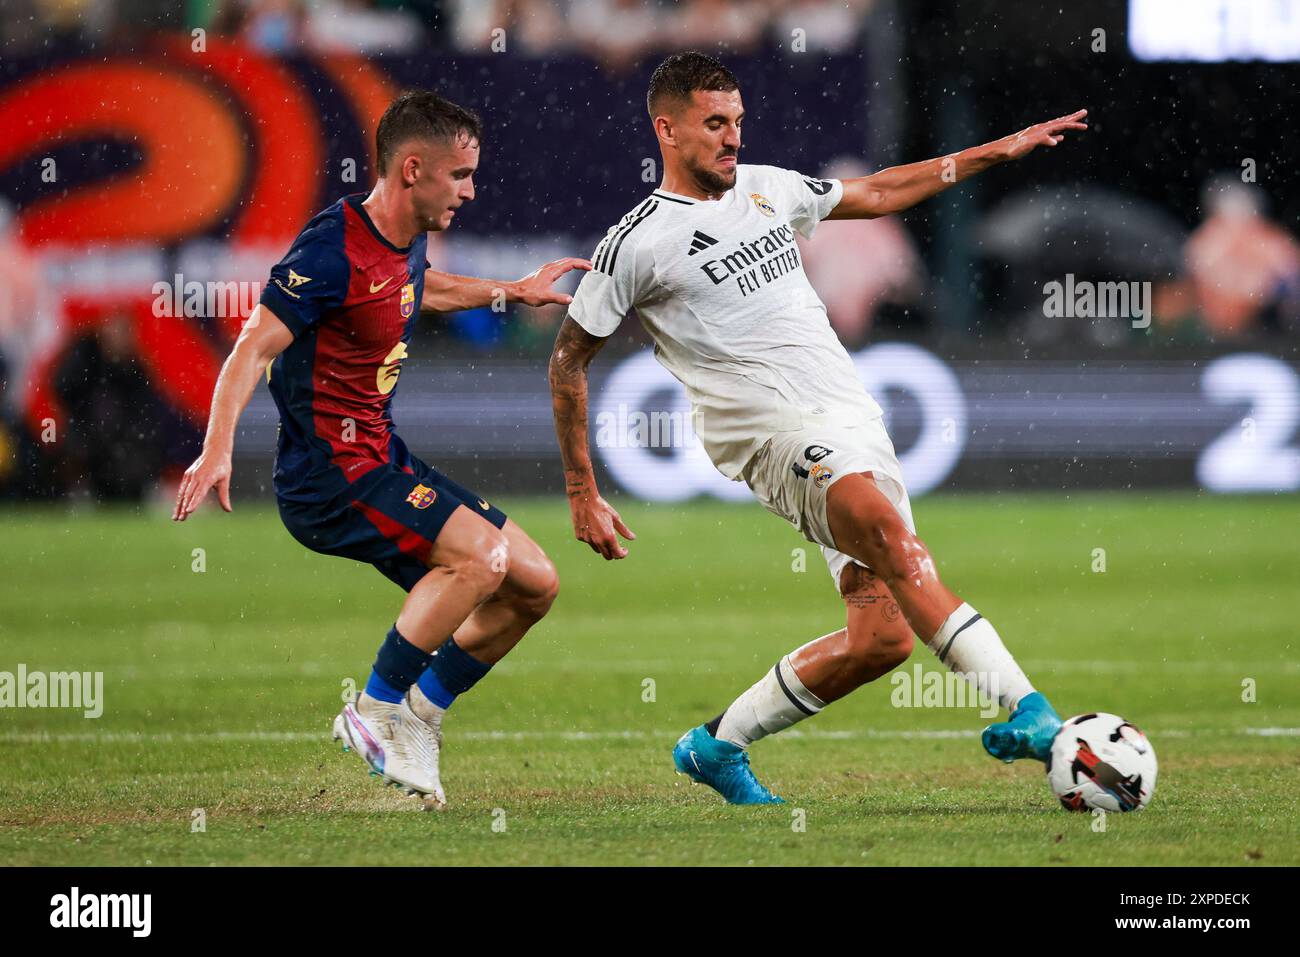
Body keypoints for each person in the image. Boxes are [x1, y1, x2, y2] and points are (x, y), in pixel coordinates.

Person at [548, 52, 1088, 804]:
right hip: (773, 437)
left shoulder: (768, 188)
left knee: (882, 640)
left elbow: (878, 190)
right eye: (714, 123)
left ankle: (714, 745)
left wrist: (997, 149)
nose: (732, 137)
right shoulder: (634, 244)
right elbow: (567, 363)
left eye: (737, 121)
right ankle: (1030, 710)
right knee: (896, 542)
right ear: (666, 130)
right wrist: (582, 489)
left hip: (851, 418)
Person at [174, 90, 590, 808]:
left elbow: (417, 289)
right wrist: (216, 448)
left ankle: (421, 718)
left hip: (382, 456)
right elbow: (251, 346)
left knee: (533, 582)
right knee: (479, 558)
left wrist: (513, 292)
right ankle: (372, 710)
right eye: (459, 175)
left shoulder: (407, 238)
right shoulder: (329, 251)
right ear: (412, 169)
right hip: (329, 475)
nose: (471, 190)